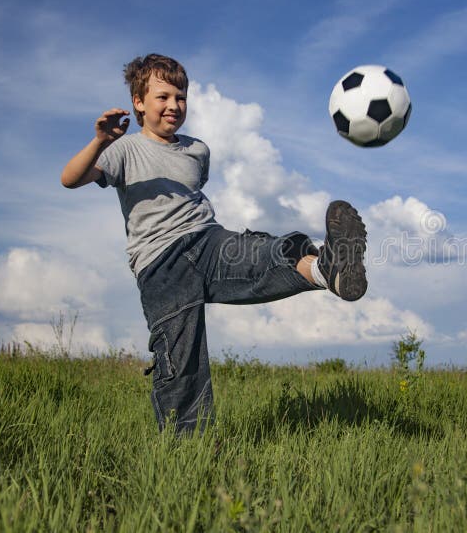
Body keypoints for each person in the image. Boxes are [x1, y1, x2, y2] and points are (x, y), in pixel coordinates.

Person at [61, 54, 367, 434]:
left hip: (207, 239)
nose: (174, 105)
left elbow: (194, 195)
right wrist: (99, 141)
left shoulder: (197, 151)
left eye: (181, 97)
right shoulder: (124, 150)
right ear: (139, 102)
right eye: (163, 97)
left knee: (264, 252)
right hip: (161, 266)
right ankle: (188, 456)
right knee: (181, 362)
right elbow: (70, 179)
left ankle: (327, 269)